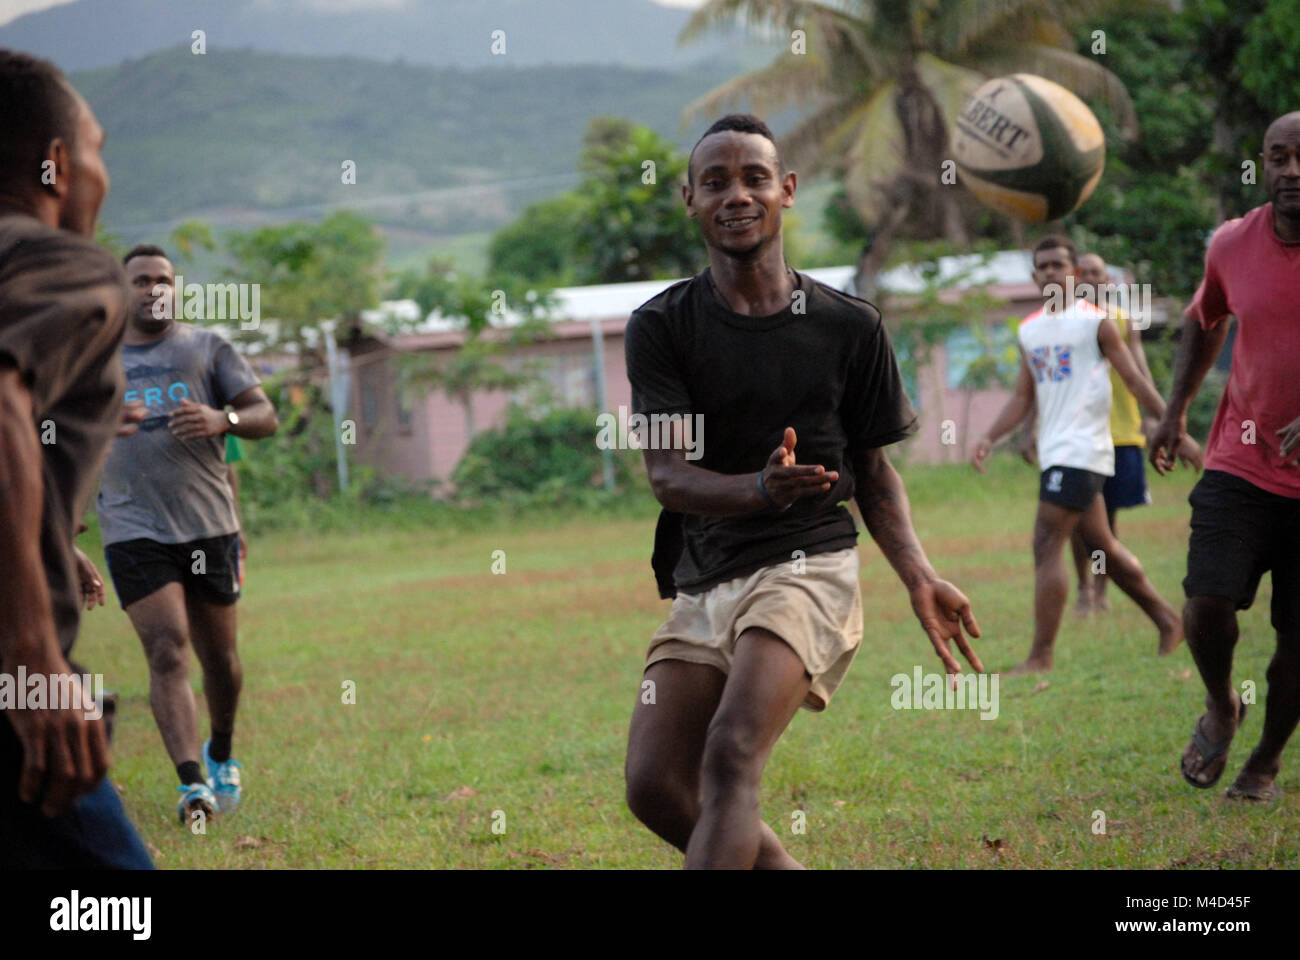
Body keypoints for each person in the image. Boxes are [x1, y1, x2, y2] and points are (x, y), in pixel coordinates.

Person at [623, 114, 983, 870]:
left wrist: (919, 577)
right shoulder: (661, 326)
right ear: (689, 199)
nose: (736, 195)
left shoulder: (848, 326)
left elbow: (875, 472)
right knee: (655, 786)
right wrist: (760, 486)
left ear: (786, 191)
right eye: (715, 182)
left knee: (730, 755)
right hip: (706, 571)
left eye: (755, 177)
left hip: (808, 565)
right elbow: (667, 478)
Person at [0, 48, 152, 868]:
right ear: (56, 163)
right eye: (96, 150)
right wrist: (33, 660)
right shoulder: (55, 261)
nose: (101, 175)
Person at [98, 244, 278, 824]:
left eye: (163, 280)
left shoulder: (207, 348)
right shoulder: (93, 360)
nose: (153, 289)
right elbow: (58, 432)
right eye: (140, 280)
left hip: (206, 527)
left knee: (219, 658)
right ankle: (191, 786)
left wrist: (221, 419)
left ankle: (221, 751)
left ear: (176, 288)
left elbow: (265, 416)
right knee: (166, 645)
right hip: (132, 527)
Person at [1150, 111, 1300, 802]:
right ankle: (1220, 704)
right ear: (1263, 165)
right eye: (1278, 157)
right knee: (1207, 601)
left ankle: (1265, 760)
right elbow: (1203, 319)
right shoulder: (1233, 244)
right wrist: (1174, 410)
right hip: (1241, 462)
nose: (1291, 170)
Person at [972, 236, 1198, 674]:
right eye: (1043, 266)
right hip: (1057, 451)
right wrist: (991, 436)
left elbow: (1134, 380)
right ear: (1035, 277)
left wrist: (1174, 426)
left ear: (1074, 273)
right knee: (1103, 547)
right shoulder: (1030, 330)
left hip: (1083, 450)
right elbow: (1023, 394)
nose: (1052, 272)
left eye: (1059, 264)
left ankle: (1040, 657)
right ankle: (1170, 621)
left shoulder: (1096, 323)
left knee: (1045, 543)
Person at [1068, 253, 1157, 616]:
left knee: (1109, 521)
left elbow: (1139, 369)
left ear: (1107, 281)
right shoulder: (1065, 322)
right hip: (1079, 434)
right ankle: (1083, 589)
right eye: (1083, 272)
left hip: (1120, 431)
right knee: (1076, 517)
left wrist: (1155, 417)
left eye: (1097, 273)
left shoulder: (1122, 320)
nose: (1090, 277)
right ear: (1075, 278)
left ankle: (1102, 590)